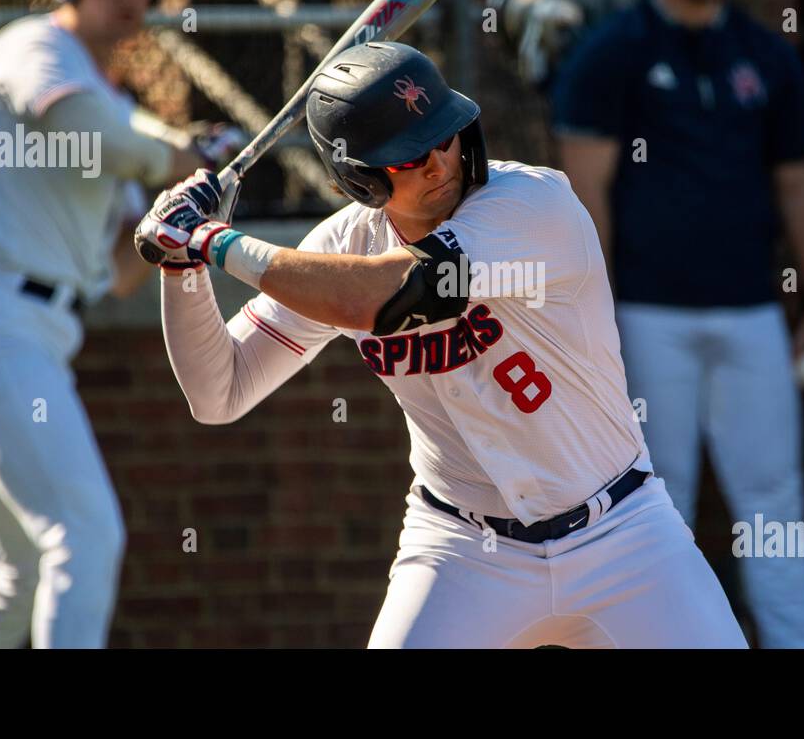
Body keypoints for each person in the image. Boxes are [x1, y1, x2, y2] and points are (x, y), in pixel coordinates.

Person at [134, 40, 748, 648]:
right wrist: (180, 265)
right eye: (408, 156)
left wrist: (214, 242)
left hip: (621, 535)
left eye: (444, 136)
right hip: (461, 550)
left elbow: (389, 293)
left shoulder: (535, 206)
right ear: (358, 176)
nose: (439, 163)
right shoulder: (342, 247)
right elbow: (221, 392)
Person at [0, 0, 242, 648]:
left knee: (27, 566)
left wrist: (190, 201)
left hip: (29, 335)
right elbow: (80, 127)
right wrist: (178, 149)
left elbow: (125, 267)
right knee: (85, 534)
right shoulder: (35, 48)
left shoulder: (119, 108)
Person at [551, 0, 804, 647]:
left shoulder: (765, 54)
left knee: (775, 499)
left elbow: (798, 181)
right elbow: (588, 196)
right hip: (647, 313)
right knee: (653, 498)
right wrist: (595, 324)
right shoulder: (611, 52)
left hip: (751, 309)